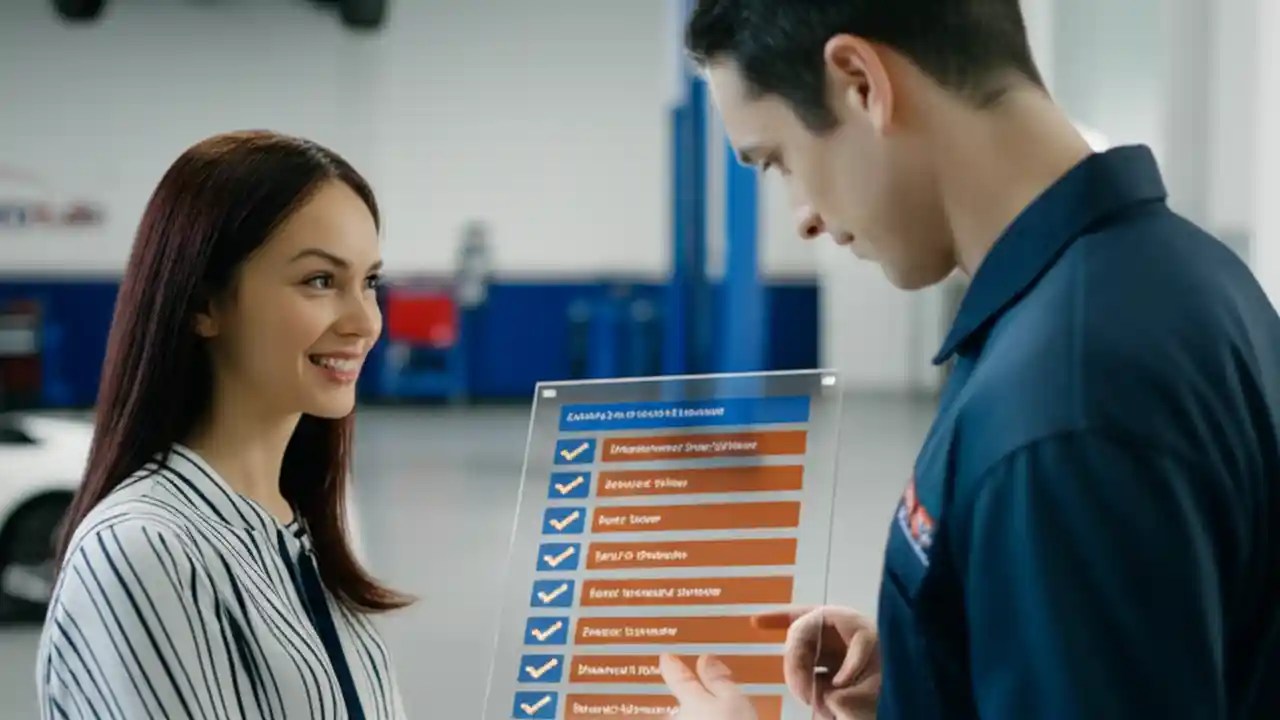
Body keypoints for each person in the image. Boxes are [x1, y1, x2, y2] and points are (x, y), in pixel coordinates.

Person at [660, 1, 1280, 719]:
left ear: (861, 82)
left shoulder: (1061, 407)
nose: (803, 214)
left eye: (778, 162)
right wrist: (945, 666)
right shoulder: (1180, 276)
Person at [34, 130, 412, 719]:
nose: (365, 321)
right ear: (203, 305)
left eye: (369, 282)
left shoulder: (303, 528)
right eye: (320, 281)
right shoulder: (146, 548)